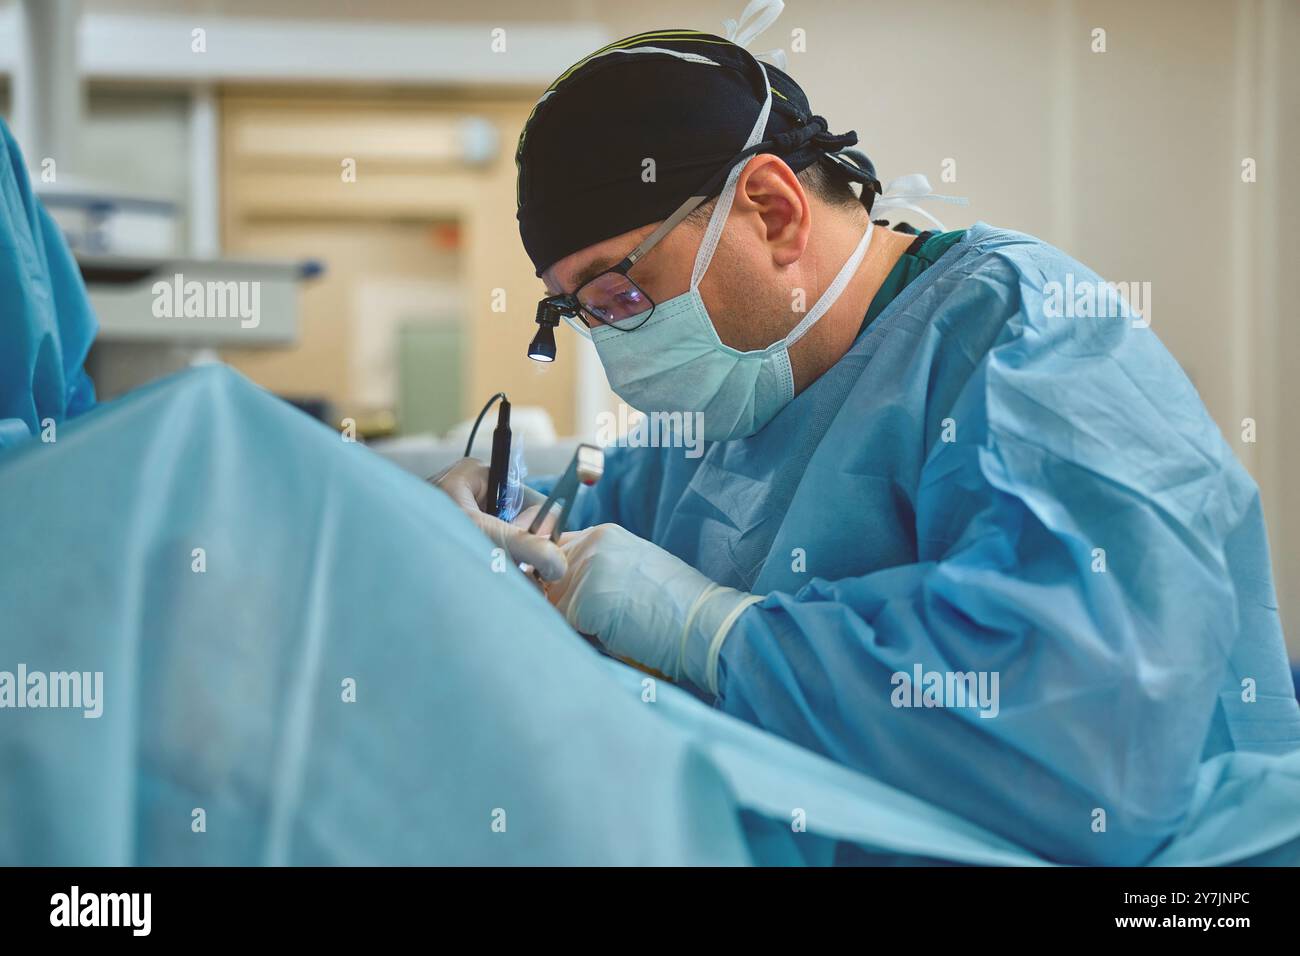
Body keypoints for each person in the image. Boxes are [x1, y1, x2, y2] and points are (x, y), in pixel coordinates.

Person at [433, 21, 1300, 864]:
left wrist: (715, 633)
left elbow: (1096, 737)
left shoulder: (1030, 340)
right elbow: (590, 535)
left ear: (772, 212)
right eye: (579, 313)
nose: (616, 342)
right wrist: (483, 507)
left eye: (622, 292)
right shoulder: (715, 409)